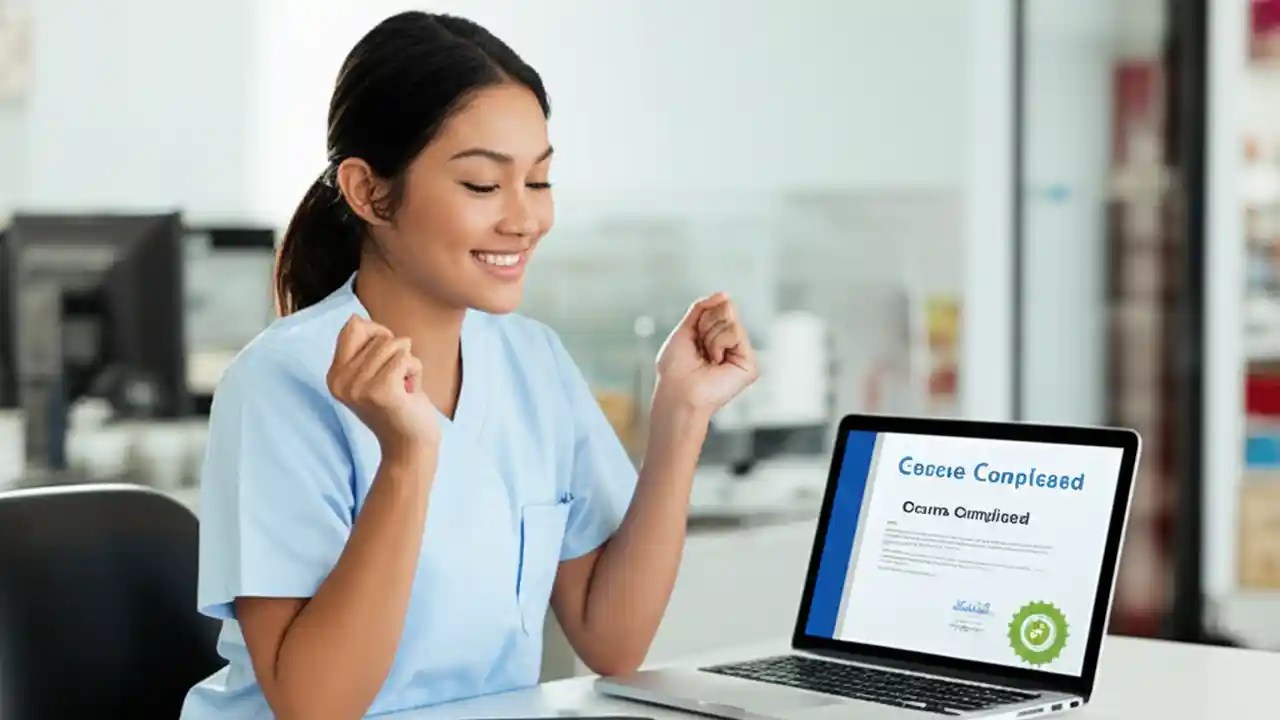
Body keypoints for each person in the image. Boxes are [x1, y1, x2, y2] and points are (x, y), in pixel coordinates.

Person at [180, 11, 759, 720]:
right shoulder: (278, 383)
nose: (524, 219)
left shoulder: (533, 361)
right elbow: (315, 708)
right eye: (484, 186)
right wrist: (407, 457)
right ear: (368, 192)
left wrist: (683, 411)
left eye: (539, 182)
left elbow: (613, 640)